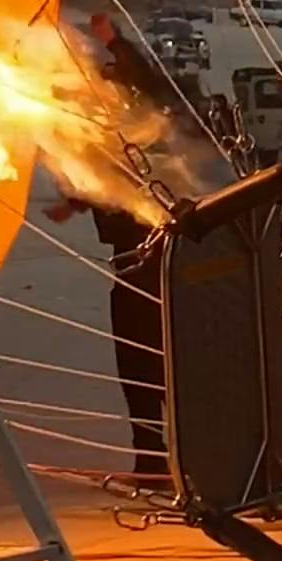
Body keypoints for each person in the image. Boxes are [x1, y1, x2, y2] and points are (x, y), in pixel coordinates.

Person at [48, 190, 168, 488]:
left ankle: (161, 461)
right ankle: (153, 460)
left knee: (147, 364)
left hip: (153, 258)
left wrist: (76, 198)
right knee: (147, 366)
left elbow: (108, 167)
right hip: (140, 259)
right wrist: (75, 201)